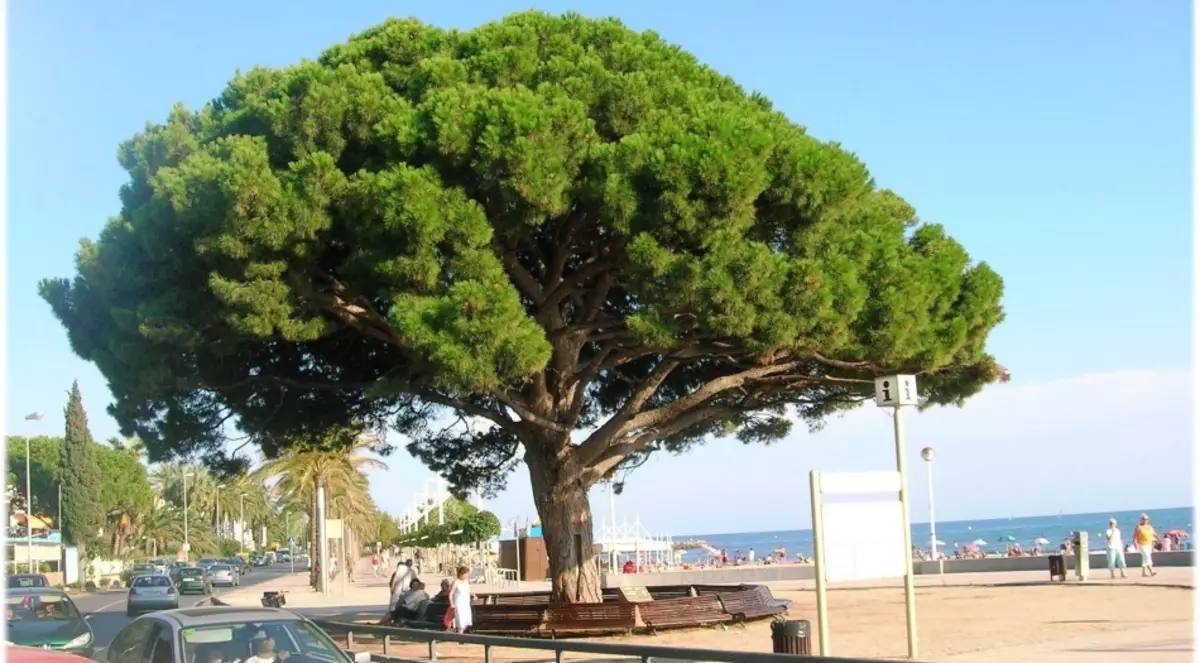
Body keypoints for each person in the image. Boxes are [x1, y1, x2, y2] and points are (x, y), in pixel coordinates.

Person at [449, 565, 473, 633]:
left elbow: (468, 590)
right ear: (461, 574)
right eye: (466, 574)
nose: (467, 575)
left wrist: (473, 595)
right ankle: (460, 636)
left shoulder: (466, 581)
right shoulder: (456, 582)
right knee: (460, 621)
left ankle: (459, 634)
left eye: (468, 574)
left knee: (466, 621)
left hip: (466, 603)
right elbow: (451, 593)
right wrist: (451, 603)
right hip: (459, 603)